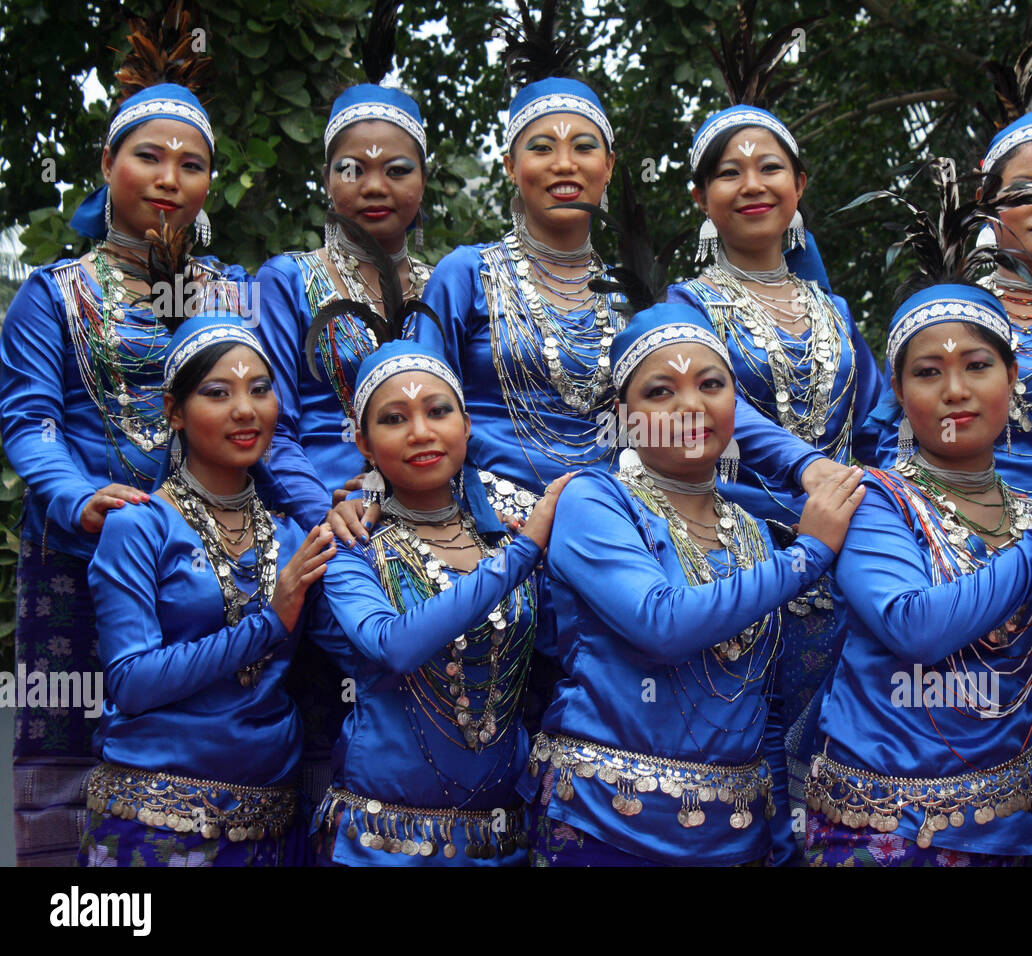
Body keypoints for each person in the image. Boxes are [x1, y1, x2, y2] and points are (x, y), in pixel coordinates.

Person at [373, 0, 844, 551]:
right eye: (541, 148)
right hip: (492, 525)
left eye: (584, 147)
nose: (564, 165)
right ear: (510, 166)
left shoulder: (640, 292)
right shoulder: (467, 273)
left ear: (610, 165)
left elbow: (696, 411)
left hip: (629, 528)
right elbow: (413, 395)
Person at [522, 200, 864, 865]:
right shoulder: (594, 502)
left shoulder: (751, 528)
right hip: (602, 826)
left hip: (730, 835)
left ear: (736, 403)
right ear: (622, 415)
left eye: (711, 383)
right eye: (659, 391)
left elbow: (759, 697)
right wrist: (811, 554)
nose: (689, 405)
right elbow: (662, 623)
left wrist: (775, 833)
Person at [0, 9, 256, 866]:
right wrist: (77, 501)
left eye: (192, 164)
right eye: (149, 155)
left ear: (208, 186)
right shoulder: (54, 293)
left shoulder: (234, 296)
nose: (168, 178)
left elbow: (264, 417)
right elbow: (28, 419)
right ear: (108, 164)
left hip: (205, 557)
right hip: (77, 556)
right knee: (69, 734)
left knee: (207, 732)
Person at [807, 160, 1032, 866]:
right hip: (886, 832)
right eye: (927, 371)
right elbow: (917, 626)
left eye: (977, 366)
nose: (955, 390)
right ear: (902, 395)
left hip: (1017, 826)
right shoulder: (873, 501)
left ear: (1011, 381)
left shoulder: (1030, 514)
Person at [666, 15, 884, 773]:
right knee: (744, 749)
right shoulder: (686, 304)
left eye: (769, 169)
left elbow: (875, 406)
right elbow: (709, 409)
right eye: (729, 171)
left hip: (847, 538)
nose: (751, 184)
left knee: (837, 751)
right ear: (701, 197)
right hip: (740, 539)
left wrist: (888, 490)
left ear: (799, 187)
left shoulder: (834, 307)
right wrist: (805, 470)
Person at [77, 309, 336, 866]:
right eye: (218, 392)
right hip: (152, 821)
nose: (245, 410)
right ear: (174, 411)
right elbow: (130, 682)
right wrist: (270, 620)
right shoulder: (139, 525)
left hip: (271, 824)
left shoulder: (294, 537)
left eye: (260, 390)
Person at [312, 330, 570, 866]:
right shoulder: (352, 537)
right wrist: (521, 556)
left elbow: (568, 639)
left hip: (502, 833)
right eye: (393, 419)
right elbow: (393, 647)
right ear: (362, 443)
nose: (420, 433)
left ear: (467, 424)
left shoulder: (515, 515)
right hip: (383, 837)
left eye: (438, 410)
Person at [255, 8, 434, 515]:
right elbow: (269, 425)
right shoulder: (285, 280)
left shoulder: (447, 286)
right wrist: (322, 511)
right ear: (327, 180)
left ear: (422, 181)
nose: (375, 186)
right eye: (353, 169)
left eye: (397, 170)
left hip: (436, 515)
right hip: (324, 516)